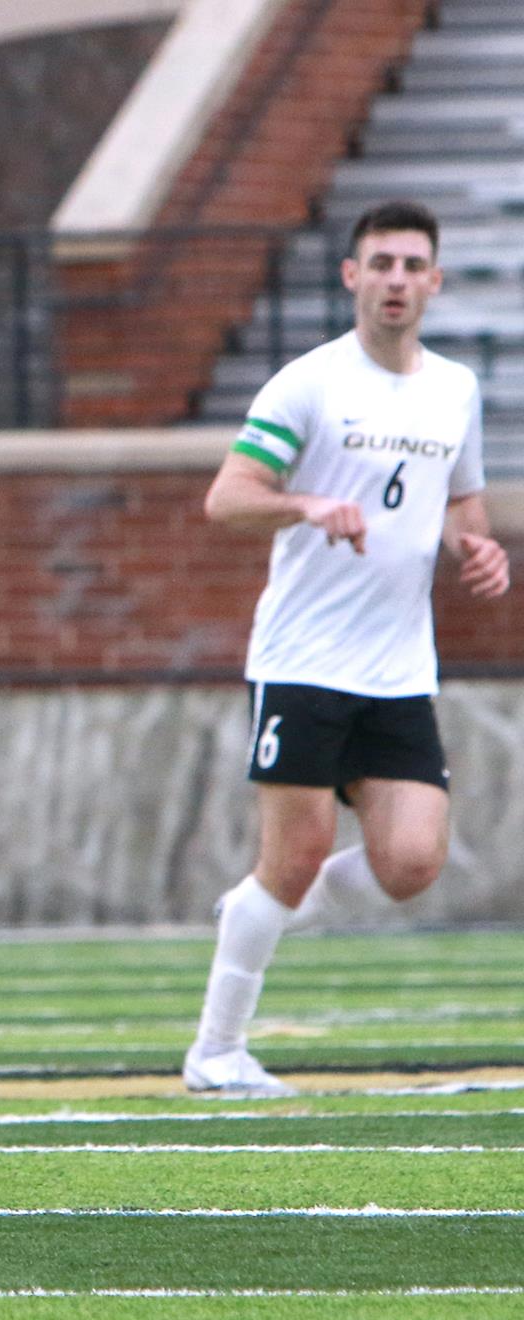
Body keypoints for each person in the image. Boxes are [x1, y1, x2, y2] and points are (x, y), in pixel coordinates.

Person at [186, 199, 508, 1095]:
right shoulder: (310, 384)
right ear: (352, 277)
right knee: (295, 854)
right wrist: (305, 504)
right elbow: (228, 496)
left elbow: (461, 503)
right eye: (382, 263)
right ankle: (216, 1053)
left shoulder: (455, 390)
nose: (397, 279)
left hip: (400, 668)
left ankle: (253, 911)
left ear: (436, 281)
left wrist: (474, 548)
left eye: (413, 265)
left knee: (412, 862)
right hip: (302, 660)